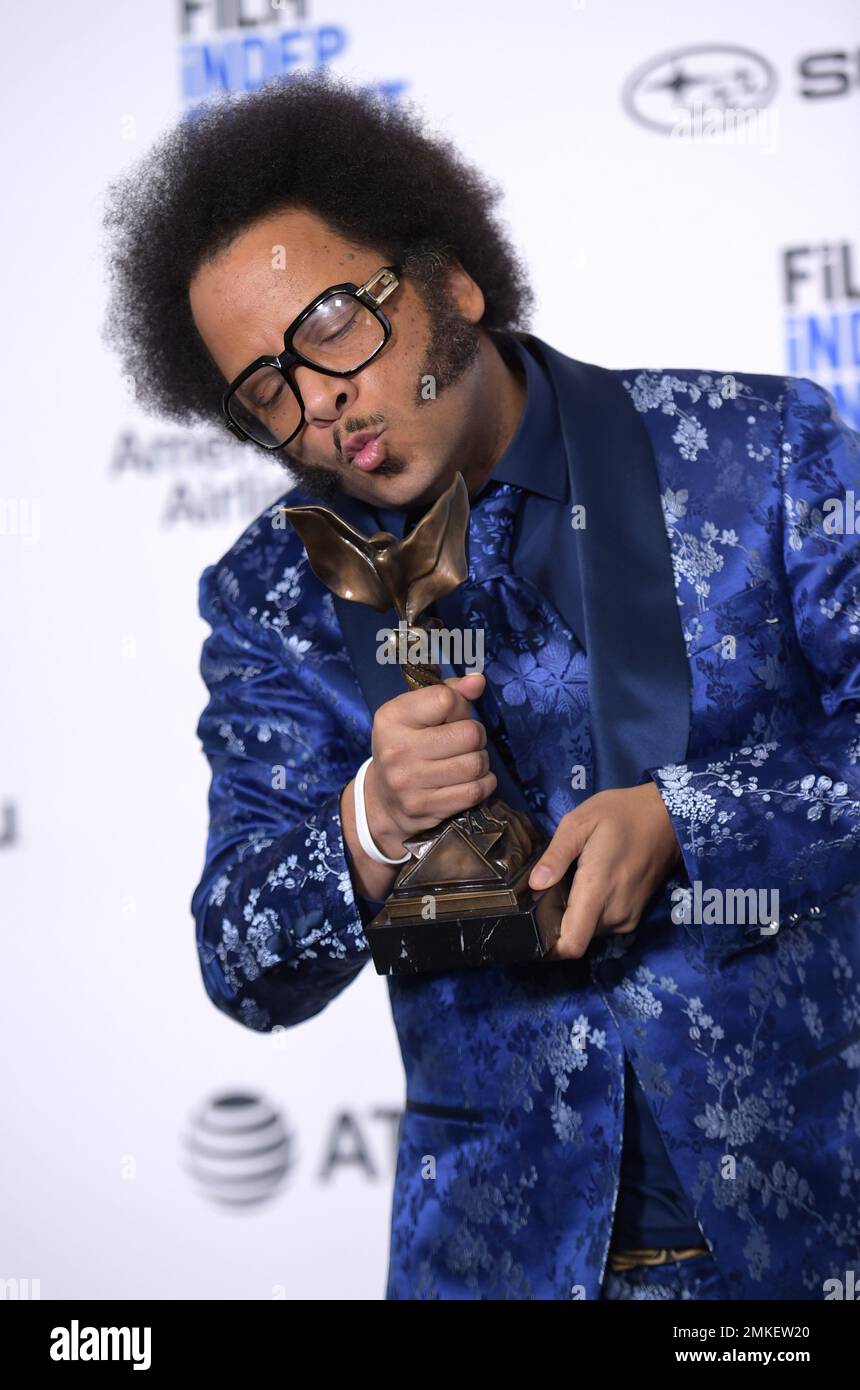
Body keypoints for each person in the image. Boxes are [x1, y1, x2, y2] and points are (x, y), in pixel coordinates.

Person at [103, 71, 860, 1301]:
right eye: (263, 390)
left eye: (336, 322)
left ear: (452, 280)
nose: (317, 400)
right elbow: (241, 961)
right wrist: (367, 827)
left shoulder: (757, 454)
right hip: (500, 1269)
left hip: (809, 1246)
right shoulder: (272, 595)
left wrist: (686, 814)